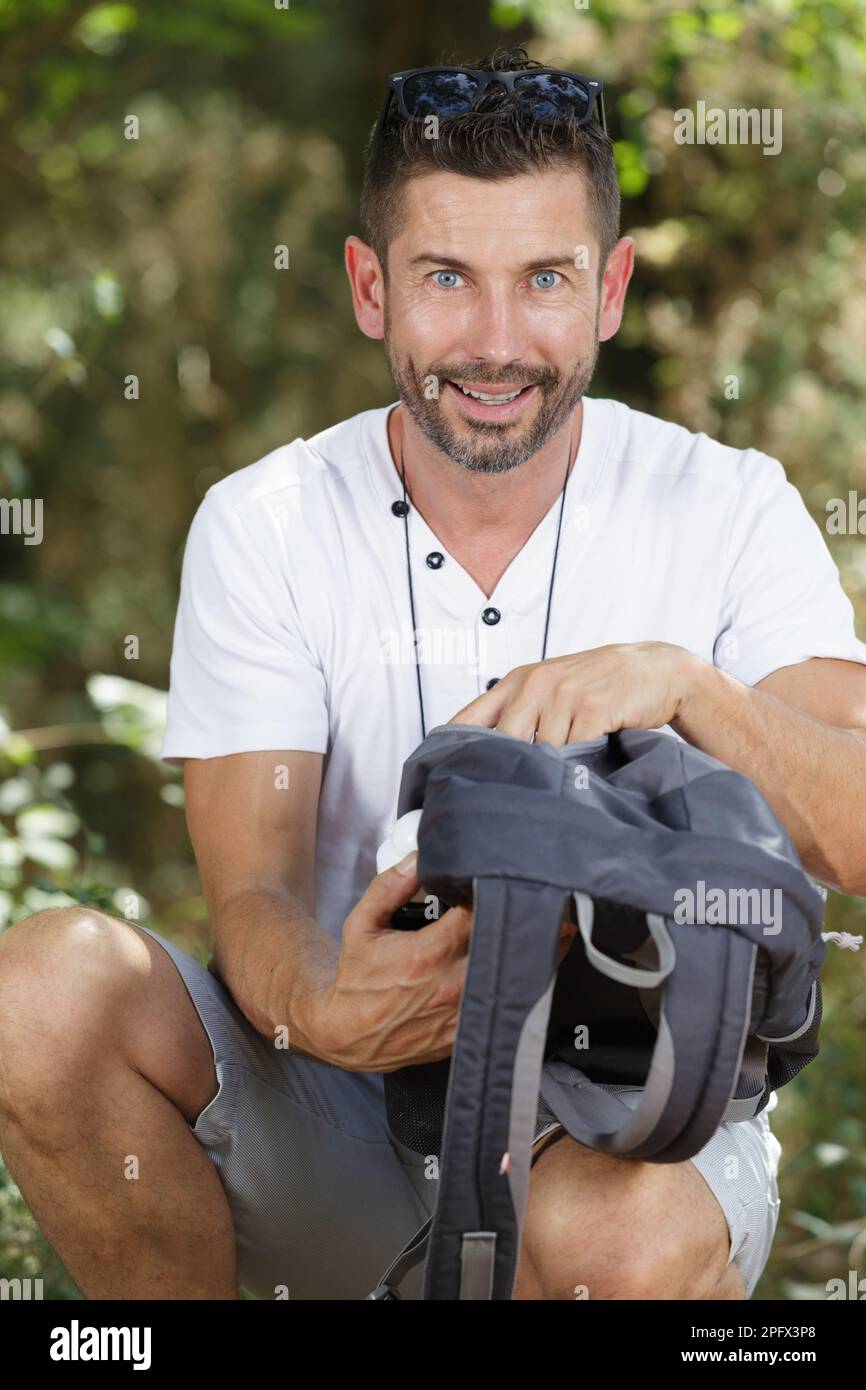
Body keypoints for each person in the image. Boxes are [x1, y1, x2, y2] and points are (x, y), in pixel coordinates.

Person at [2, 46, 866, 1303]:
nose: (497, 341)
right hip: (347, 1118)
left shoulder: (730, 506)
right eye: (447, 277)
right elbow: (252, 893)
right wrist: (325, 1005)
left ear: (610, 288)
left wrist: (690, 689)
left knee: (606, 1242)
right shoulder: (266, 519)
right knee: (41, 990)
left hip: (624, 1125)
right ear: (370, 287)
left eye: (546, 279)